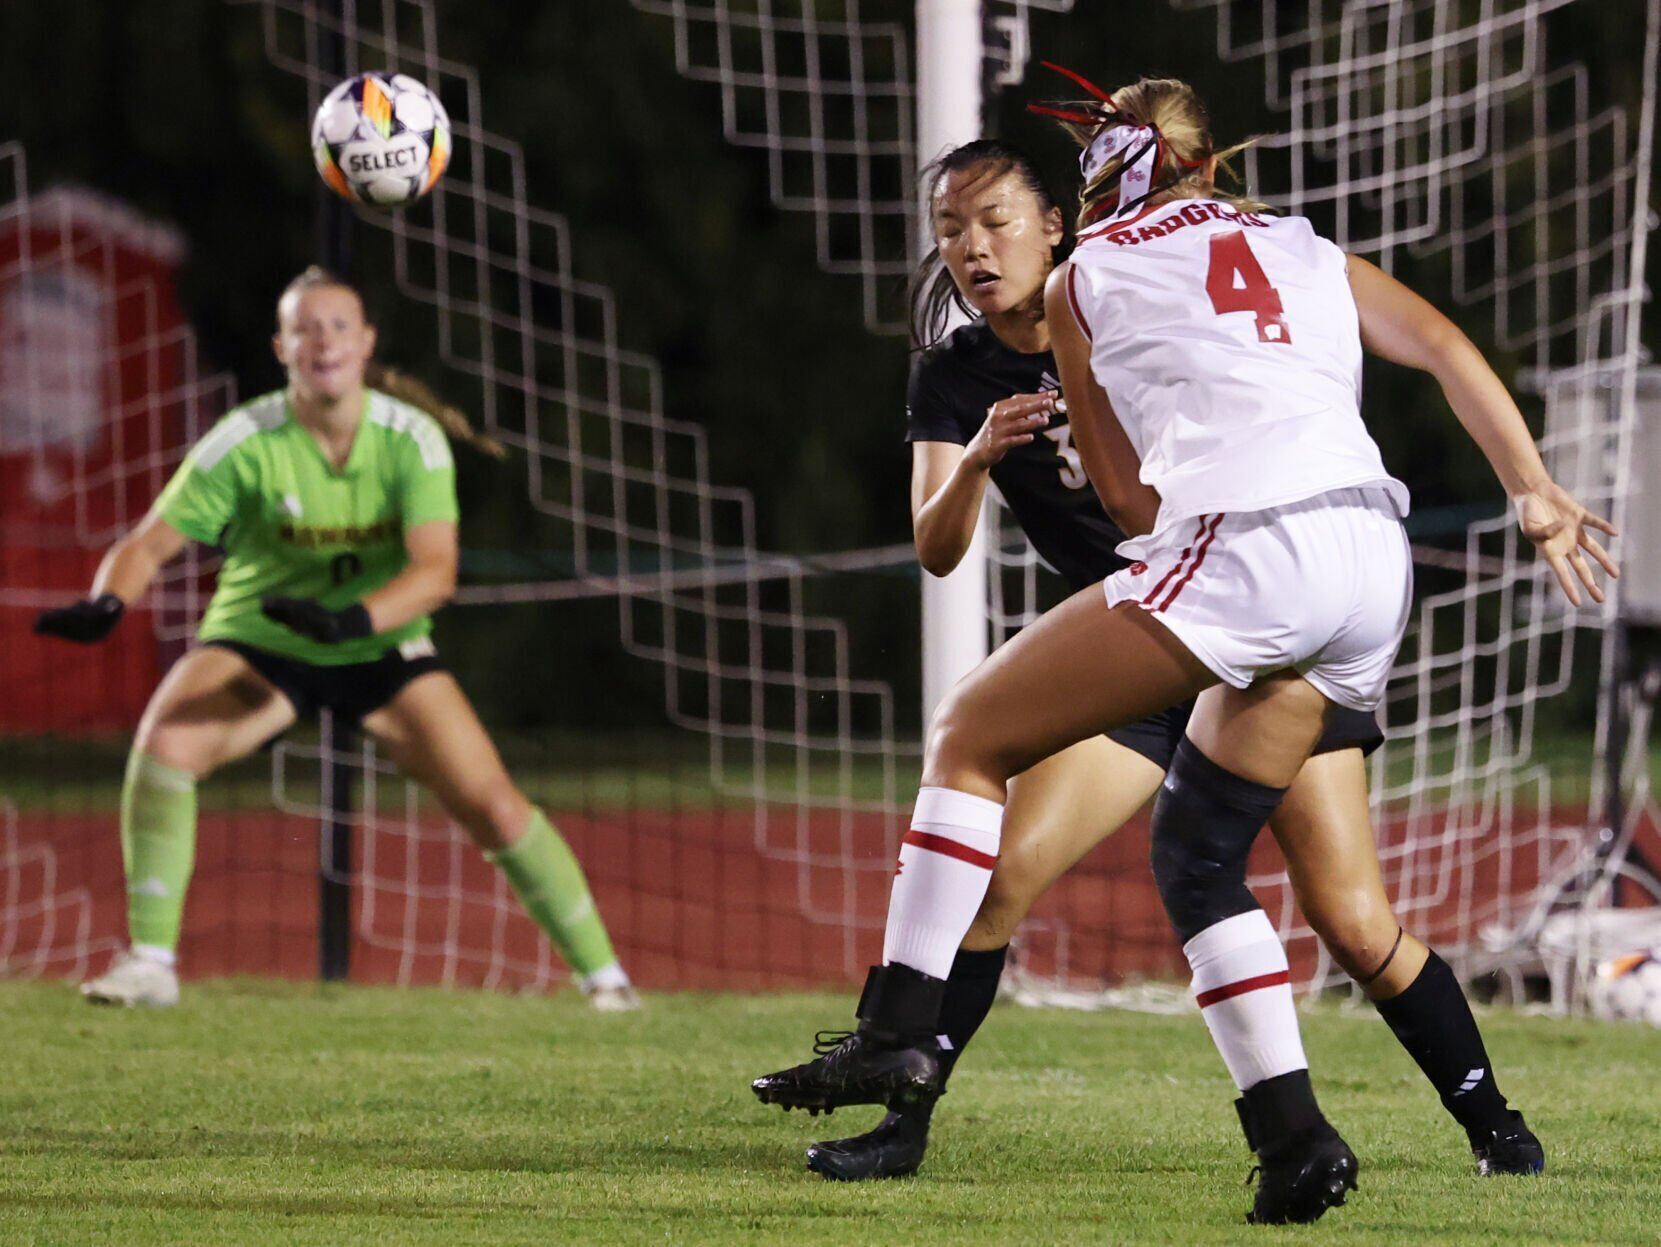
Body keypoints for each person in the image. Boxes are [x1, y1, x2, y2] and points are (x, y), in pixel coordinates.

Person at [753, 72, 1615, 1225]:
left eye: (995, 217)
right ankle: (1285, 1137)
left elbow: (1131, 508)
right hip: (1362, 560)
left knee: (979, 739)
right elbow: (1443, 343)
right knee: (1163, 859)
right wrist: (1533, 492)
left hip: (1221, 582)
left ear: (1067, 204)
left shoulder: (1090, 279)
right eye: (950, 226)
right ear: (1206, 165)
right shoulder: (1290, 244)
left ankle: (893, 1030)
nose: (971, 243)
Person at [34, 266, 640, 1013]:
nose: (324, 340)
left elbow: (435, 571)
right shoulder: (245, 440)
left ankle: (607, 983)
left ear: (366, 342)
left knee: (497, 806)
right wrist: (107, 599)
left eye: (339, 326)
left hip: (377, 647)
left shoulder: (410, 439)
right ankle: (151, 963)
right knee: (163, 750)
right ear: (281, 346)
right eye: (306, 327)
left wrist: (351, 622)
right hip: (263, 641)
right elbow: (149, 543)